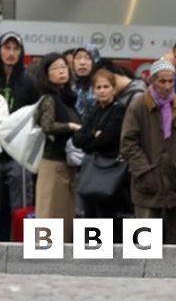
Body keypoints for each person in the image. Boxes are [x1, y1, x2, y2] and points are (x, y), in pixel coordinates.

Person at [121, 58, 176, 242]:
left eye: (171, 81)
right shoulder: (139, 105)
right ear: (153, 81)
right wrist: (144, 171)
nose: (167, 86)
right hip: (147, 182)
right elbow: (128, 143)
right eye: (162, 81)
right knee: (145, 239)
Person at [74, 69, 130, 240]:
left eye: (106, 86)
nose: (102, 90)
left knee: (108, 213)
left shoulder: (119, 110)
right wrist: (93, 135)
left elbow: (107, 139)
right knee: (89, 212)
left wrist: (91, 137)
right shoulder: (95, 109)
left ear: (114, 89)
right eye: (98, 87)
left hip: (110, 170)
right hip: (92, 168)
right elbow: (77, 139)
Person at [34, 53, 81, 238]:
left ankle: (62, 265)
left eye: (63, 66)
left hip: (68, 164)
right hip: (52, 163)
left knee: (66, 217)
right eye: (55, 68)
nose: (61, 71)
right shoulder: (49, 98)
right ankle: (42, 264)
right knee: (49, 216)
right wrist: (71, 126)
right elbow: (47, 126)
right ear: (46, 74)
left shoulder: (68, 98)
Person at [0, 31, 39, 240]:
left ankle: (23, 248)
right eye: (7, 48)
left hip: (18, 155)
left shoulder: (29, 81)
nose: (11, 53)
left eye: (15, 48)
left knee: (22, 205)